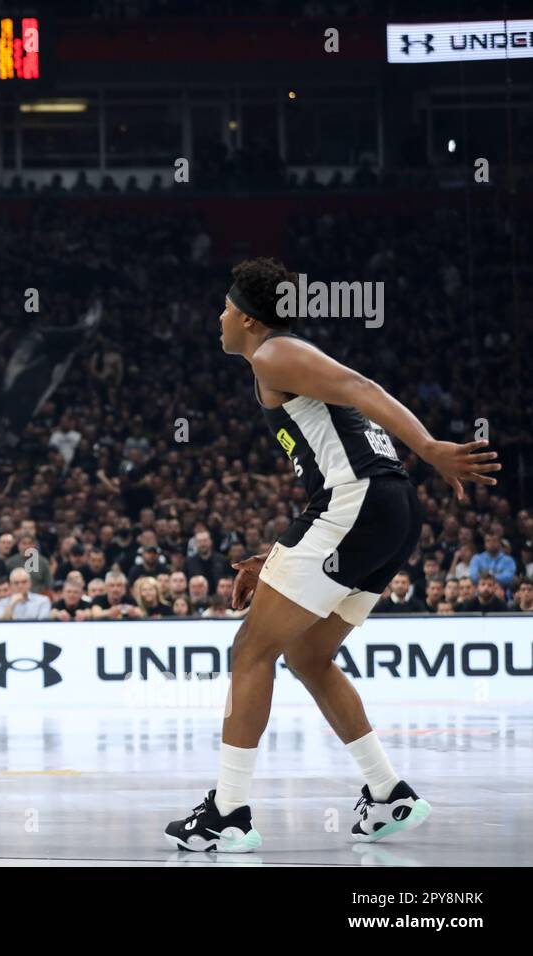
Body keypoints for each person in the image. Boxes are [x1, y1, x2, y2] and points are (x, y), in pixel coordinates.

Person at [165, 258, 499, 852]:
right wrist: (268, 560)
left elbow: (361, 389)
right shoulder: (278, 362)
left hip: (362, 502)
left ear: (245, 317)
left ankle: (229, 813)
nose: (217, 318)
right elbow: (332, 471)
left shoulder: (274, 353)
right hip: (382, 511)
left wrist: (428, 447)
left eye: (223, 308)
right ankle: (388, 792)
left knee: (250, 650)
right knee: (309, 654)